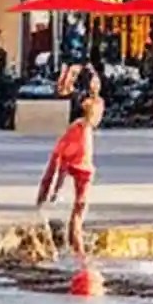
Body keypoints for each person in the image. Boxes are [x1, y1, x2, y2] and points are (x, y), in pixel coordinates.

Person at [36, 67, 104, 259]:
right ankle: (76, 249)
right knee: (77, 203)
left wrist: (69, 72)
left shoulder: (91, 102)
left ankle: (72, 244)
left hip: (77, 145)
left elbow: (64, 91)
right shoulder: (90, 102)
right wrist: (69, 72)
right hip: (78, 144)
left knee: (74, 199)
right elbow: (64, 90)